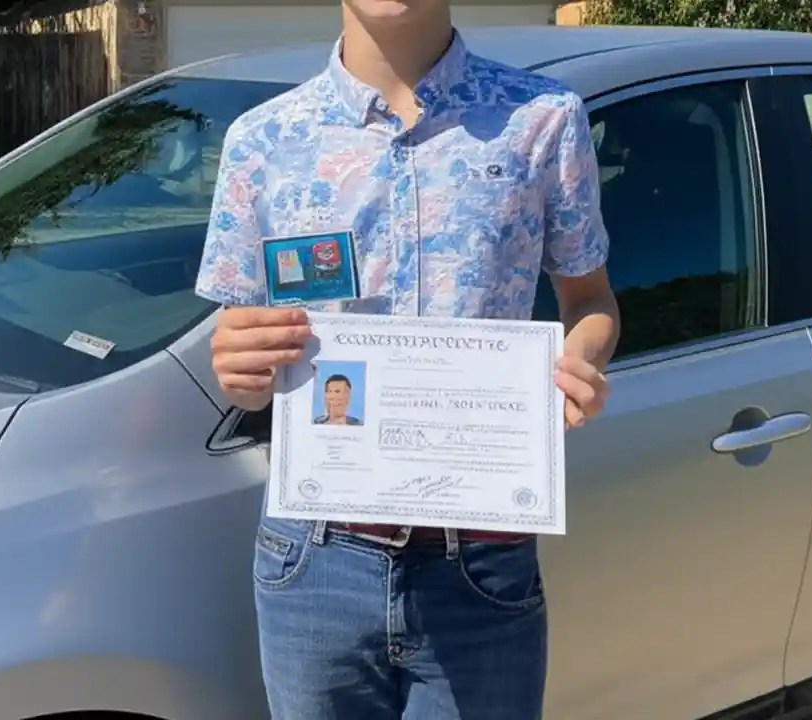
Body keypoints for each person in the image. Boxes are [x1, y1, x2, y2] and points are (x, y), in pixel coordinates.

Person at [195, 1, 621, 718]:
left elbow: (592, 301)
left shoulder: (542, 119)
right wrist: (238, 364)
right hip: (314, 559)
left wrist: (582, 357)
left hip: (480, 561)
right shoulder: (264, 142)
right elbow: (241, 339)